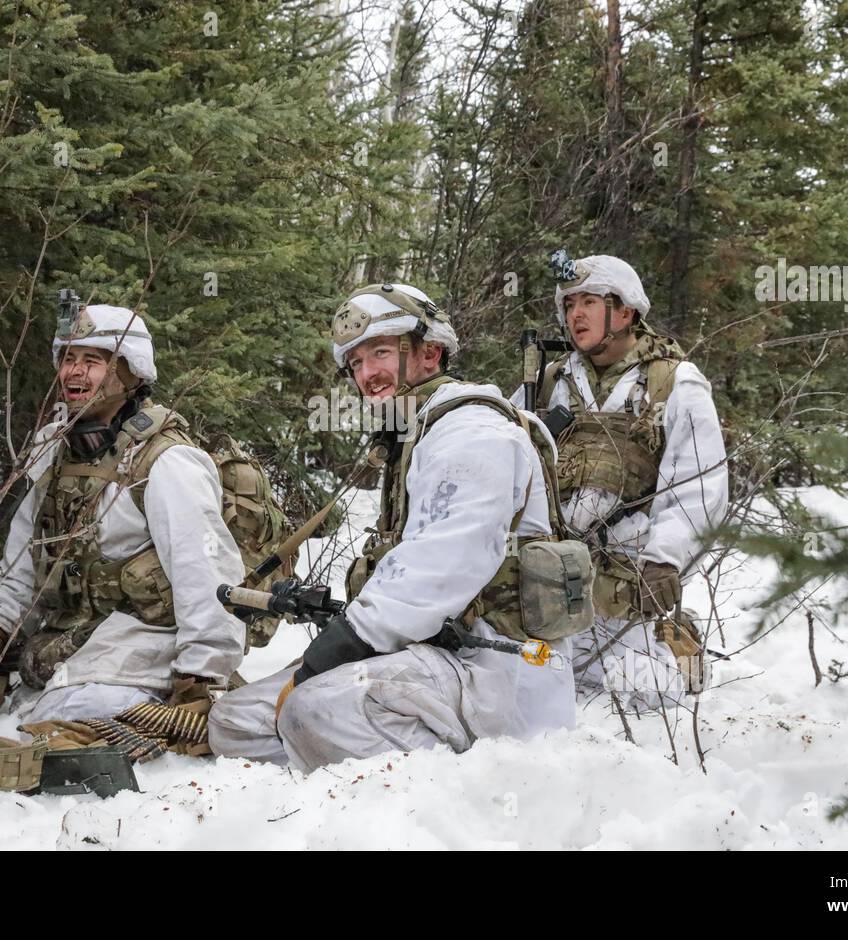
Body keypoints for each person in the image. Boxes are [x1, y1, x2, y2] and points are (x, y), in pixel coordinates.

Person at [208, 283, 582, 772]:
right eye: (356, 364)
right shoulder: (416, 431)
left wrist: (346, 641)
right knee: (232, 722)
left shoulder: (471, 432)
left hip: (493, 671)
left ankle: (448, 799)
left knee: (310, 707)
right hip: (425, 657)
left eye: (380, 353)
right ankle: (335, 780)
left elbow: (442, 565)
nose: (367, 375)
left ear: (429, 352)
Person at [0, 302, 245, 731]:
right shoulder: (53, 454)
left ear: (130, 372)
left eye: (93, 361)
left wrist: (201, 675)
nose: (74, 373)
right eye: (68, 359)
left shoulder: (166, 461)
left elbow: (204, 574)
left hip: (145, 646)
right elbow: (22, 561)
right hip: (68, 646)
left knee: (63, 729)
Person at [511, 252, 728, 709]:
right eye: (569, 305)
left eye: (589, 301)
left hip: (628, 580)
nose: (575, 315)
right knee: (519, 682)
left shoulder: (673, 382)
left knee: (645, 695)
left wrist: (666, 559)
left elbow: (700, 486)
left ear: (626, 310)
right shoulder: (549, 383)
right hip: (550, 577)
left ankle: (675, 640)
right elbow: (506, 464)